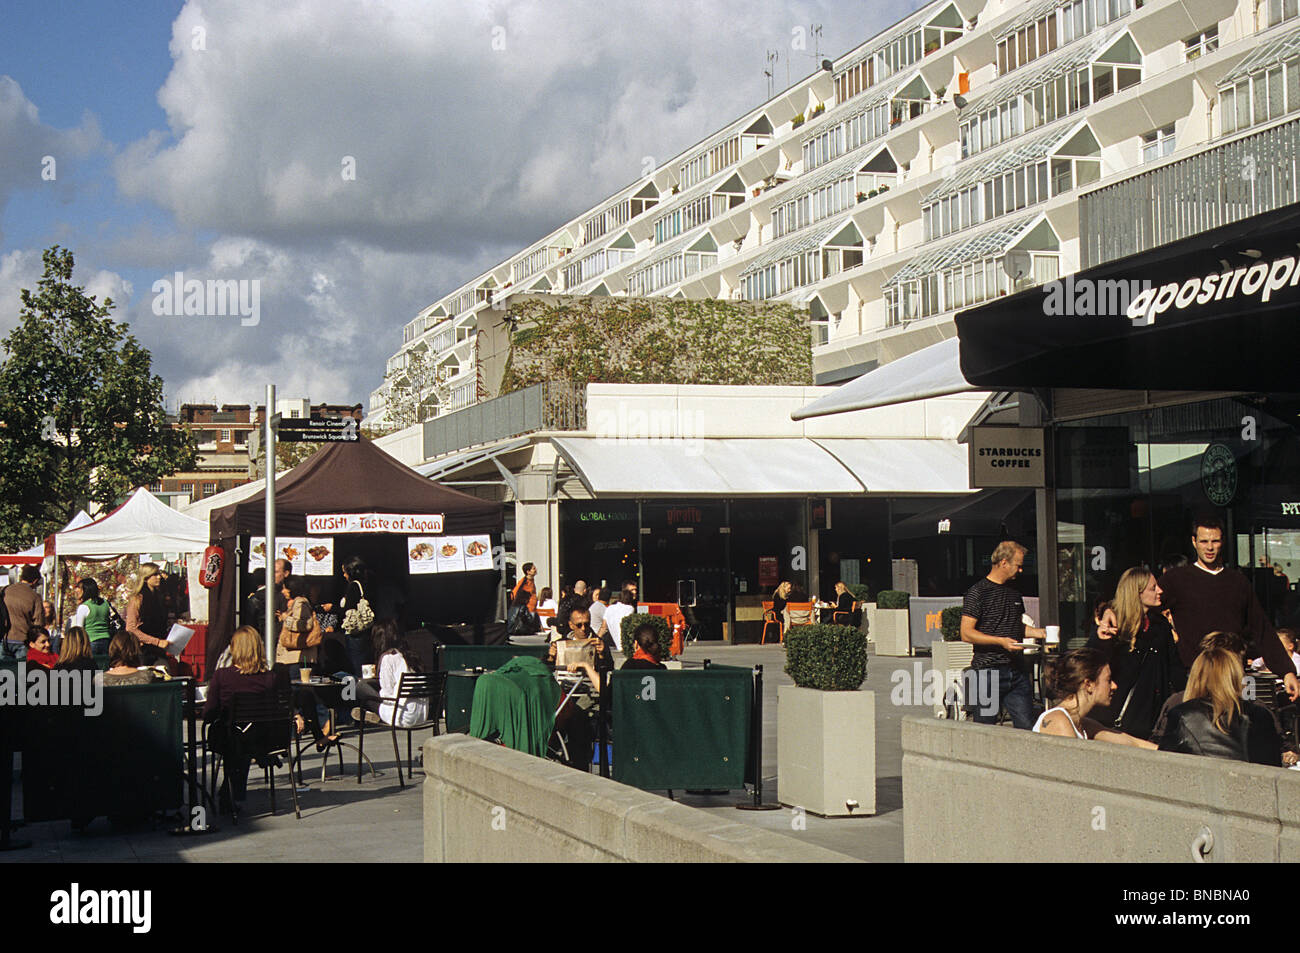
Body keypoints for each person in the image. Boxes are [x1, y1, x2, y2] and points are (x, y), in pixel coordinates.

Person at [1159, 516, 1298, 702]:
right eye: (1204, 541)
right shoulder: (1176, 580)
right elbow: (1144, 610)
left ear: (1222, 541)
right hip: (1193, 677)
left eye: (1215, 541)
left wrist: (1286, 671)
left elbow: (1261, 628)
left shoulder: (1238, 582)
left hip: (1232, 677)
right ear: (1194, 542)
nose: (1209, 547)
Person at [1085, 567, 1181, 741]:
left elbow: (1175, 670)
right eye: (1153, 588)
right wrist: (1101, 639)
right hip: (1117, 721)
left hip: (1152, 720)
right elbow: (1090, 664)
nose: (1160, 591)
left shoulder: (1160, 626)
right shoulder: (1113, 627)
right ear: (1137, 593)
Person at [961, 541, 1047, 729]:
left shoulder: (1014, 593)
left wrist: (1041, 633)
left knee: (1027, 726)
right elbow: (966, 633)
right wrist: (1000, 642)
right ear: (1004, 563)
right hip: (987, 671)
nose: (1021, 570)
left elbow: (1015, 628)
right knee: (985, 730)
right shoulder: (978, 592)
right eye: (1019, 565)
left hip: (1016, 671)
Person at [203, 626, 289, 806]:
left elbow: (209, 713)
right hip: (265, 739)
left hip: (233, 739)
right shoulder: (270, 678)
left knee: (233, 732)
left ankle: (231, 792)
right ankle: (237, 785)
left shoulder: (222, 676)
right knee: (245, 730)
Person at [1158, 647, 1284, 766]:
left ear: (1196, 676)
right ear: (1236, 676)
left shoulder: (1183, 715)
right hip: (1255, 786)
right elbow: (1273, 764)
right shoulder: (1261, 715)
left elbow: (1166, 768)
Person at [1033, 648, 1156, 747]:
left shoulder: (1084, 724)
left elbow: (1131, 742)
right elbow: (1073, 770)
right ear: (1089, 685)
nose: (1114, 686)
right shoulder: (1058, 721)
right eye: (1108, 680)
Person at [352, 620, 429, 727]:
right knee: (372, 686)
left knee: (359, 686)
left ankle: (377, 716)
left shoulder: (388, 658)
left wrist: (378, 692)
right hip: (421, 715)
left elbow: (387, 694)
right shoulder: (410, 656)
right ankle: (376, 716)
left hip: (402, 716)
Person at [126, 563, 171, 668]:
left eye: (158, 574)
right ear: (146, 577)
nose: (159, 577)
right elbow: (131, 628)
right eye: (155, 574)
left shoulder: (158, 596)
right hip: (143, 651)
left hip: (158, 648)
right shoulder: (137, 598)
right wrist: (157, 642)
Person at [275, 577, 321, 670]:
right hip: (296, 656)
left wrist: (286, 618)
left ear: (292, 589)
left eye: (285, 588)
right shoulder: (297, 602)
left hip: (299, 656)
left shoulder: (300, 602)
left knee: (297, 681)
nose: (283, 591)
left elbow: (305, 624)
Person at [338, 556, 373, 677]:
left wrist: (332, 608)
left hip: (355, 635)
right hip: (365, 634)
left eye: (345, 572)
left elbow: (348, 609)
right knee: (365, 668)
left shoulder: (353, 586)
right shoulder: (366, 584)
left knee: (355, 668)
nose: (344, 575)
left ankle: (357, 694)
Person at [3, 565, 45, 660]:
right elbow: (39, 623)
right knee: (21, 672)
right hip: (23, 640)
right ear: (34, 581)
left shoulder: (5, 591)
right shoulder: (35, 597)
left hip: (4, 638)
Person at [70, 577, 112, 660]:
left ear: (86, 590)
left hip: (91, 641)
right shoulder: (105, 603)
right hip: (106, 640)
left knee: (90, 669)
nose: (77, 590)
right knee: (102, 667)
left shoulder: (84, 607)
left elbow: (79, 630)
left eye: (79, 587)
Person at [599, 583, 638, 651]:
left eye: (635, 590)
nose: (635, 592)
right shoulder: (630, 609)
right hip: (626, 646)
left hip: (615, 646)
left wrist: (596, 640)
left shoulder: (609, 608)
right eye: (632, 590)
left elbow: (603, 628)